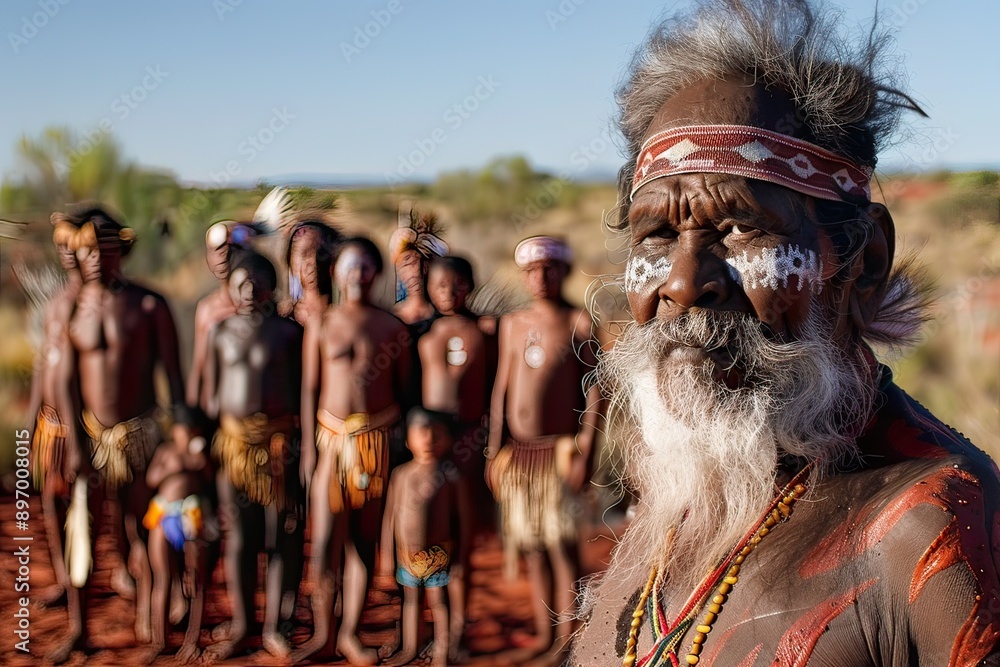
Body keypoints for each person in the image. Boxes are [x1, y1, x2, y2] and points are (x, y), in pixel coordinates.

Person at [568, 2, 1000, 666]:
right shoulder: (685, 492)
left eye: (741, 225)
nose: (684, 282)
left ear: (865, 261)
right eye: (655, 233)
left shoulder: (932, 522)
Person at [53, 206, 190, 664]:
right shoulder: (71, 308)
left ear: (121, 252)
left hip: (141, 438)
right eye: (88, 250)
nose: (95, 258)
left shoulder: (149, 305)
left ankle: (153, 622)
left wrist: (176, 437)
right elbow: (67, 384)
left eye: (105, 249)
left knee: (145, 527)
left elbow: (173, 377)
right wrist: (75, 444)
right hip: (91, 439)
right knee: (84, 534)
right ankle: (79, 628)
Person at [295, 237, 413, 665]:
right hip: (331, 444)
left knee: (365, 545)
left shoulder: (392, 327)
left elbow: (403, 392)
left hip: (376, 445)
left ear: (376, 273)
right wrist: (309, 447)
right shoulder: (321, 324)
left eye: (365, 266)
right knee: (326, 542)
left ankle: (349, 634)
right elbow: (309, 389)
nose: (357, 274)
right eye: (349, 265)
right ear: (336, 273)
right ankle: (323, 634)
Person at [486, 235, 602, 656]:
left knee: (561, 547)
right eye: (532, 270)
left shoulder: (579, 323)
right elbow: (501, 388)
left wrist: (587, 452)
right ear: (523, 275)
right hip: (518, 455)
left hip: (559, 454)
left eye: (549, 269)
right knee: (533, 546)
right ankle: (542, 632)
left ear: (564, 271)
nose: (541, 277)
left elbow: (595, 392)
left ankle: (568, 635)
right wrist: (493, 451)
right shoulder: (512, 324)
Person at [202, 251, 305, 661]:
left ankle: (277, 625)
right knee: (240, 538)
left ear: (273, 286)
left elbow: (303, 392)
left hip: (280, 448)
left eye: (258, 282)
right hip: (233, 447)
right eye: (240, 282)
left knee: (282, 535)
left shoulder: (289, 334)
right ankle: (244, 623)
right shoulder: (220, 331)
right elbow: (210, 396)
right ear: (229, 287)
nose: (248, 290)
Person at [379, 407, 471, 667]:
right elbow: (389, 518)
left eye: (437, 434)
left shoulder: (451, 477)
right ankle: (410, 648)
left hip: (438, 556)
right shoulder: (400, 475)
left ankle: (441, 652)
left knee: (439, 603)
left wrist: (462, 557)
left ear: (449, 439)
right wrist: (386, 555)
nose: (429, 440)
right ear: (408, 440)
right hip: (405, 556)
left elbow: (464, 522)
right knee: (410, 602)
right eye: (421, 433)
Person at [25, 213, 84, 609]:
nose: (65, 252)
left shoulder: (94, 303)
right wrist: (29, 430)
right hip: (51, 427)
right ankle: (66, 580)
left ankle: (116, 575)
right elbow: (43, 367)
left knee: (89, 510)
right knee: (52, 503)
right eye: (59, 245)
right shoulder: (56, 302)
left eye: (71, 244)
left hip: (83, 428)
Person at [141, 427, 215, 664]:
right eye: (184, 430)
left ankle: (192, 641)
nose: (188, 434)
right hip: (164, 514)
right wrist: (173, 467)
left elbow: (210, 478)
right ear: (175, 431)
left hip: (191, 514)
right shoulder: (166, 451)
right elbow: (151, 479)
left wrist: (199, 460)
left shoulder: (200, 455)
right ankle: (160, 641)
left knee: (195, 580)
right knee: (161, 578)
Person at [389, 203, 449, 337]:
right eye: (408, 264)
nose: (416, 270)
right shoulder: (403, 237)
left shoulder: (435, 244)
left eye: (420, 264)